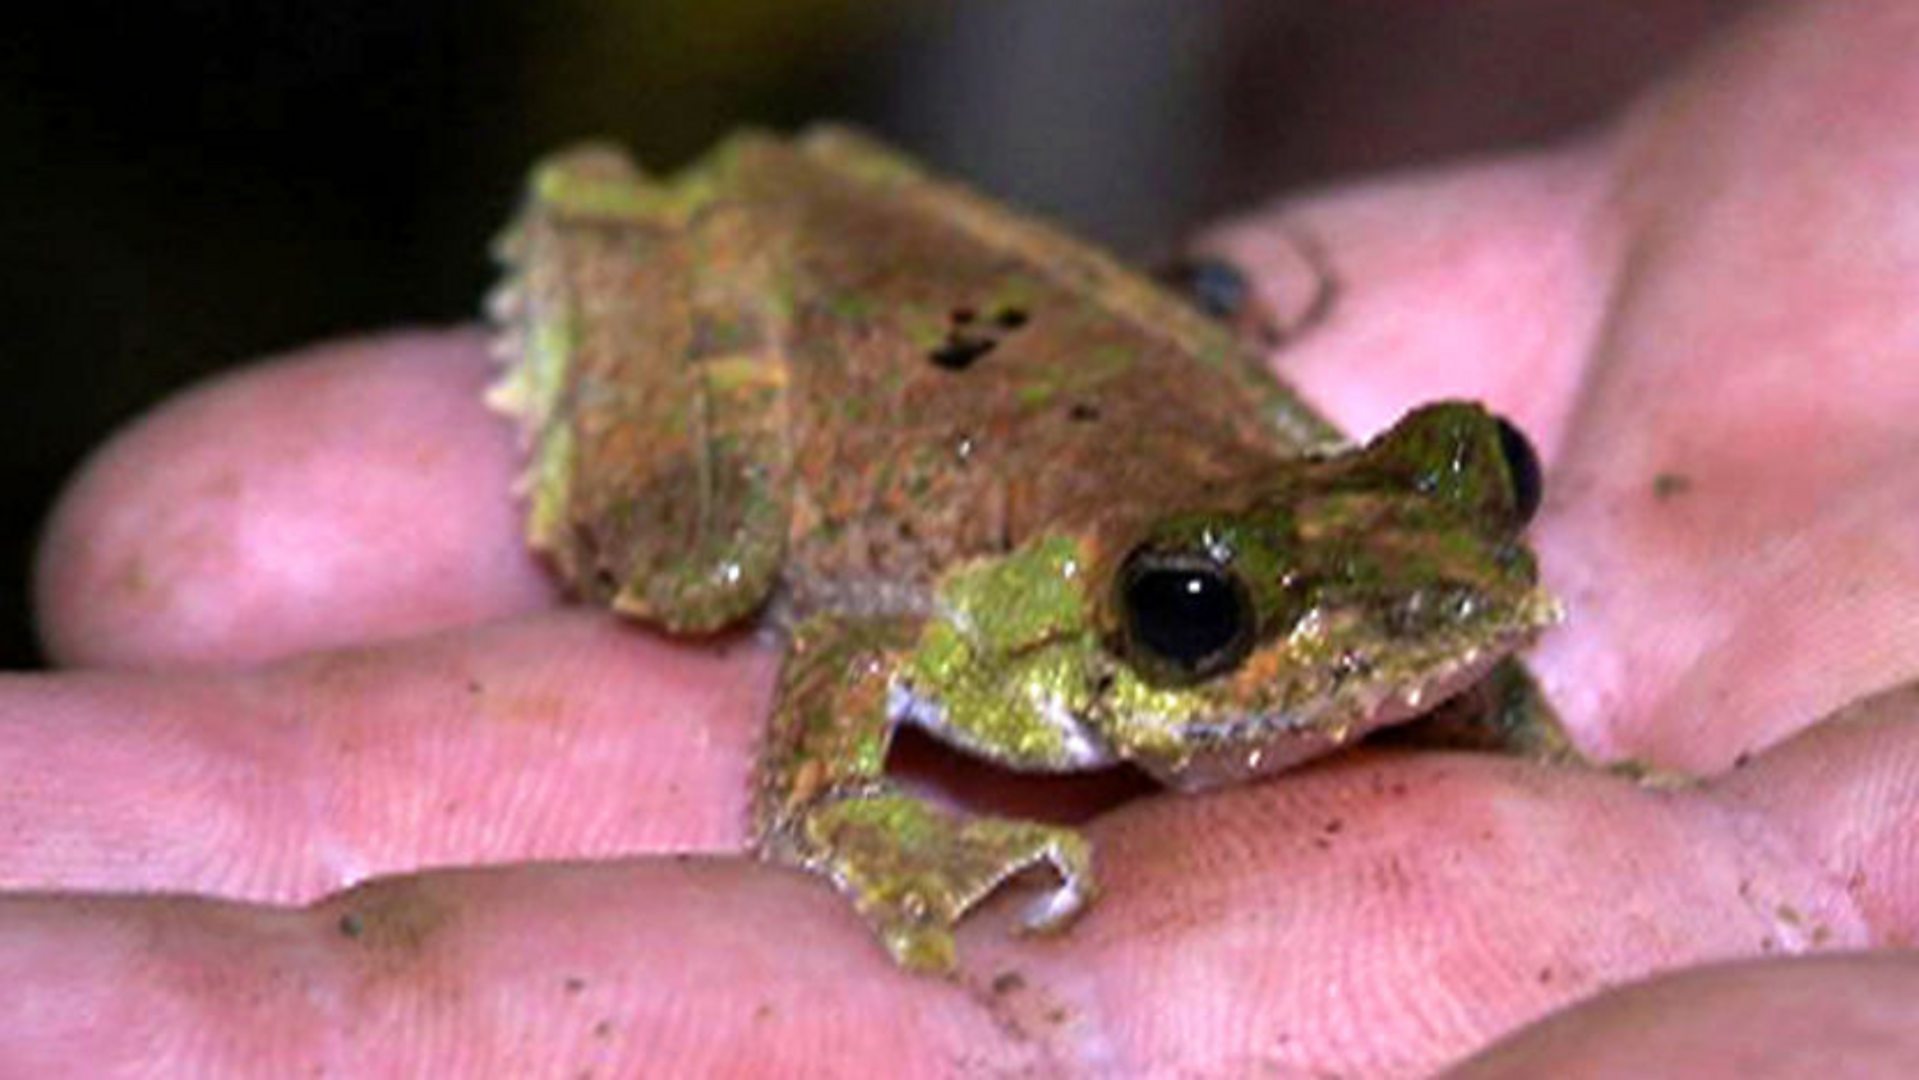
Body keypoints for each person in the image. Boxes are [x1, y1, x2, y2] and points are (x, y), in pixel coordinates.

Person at [16, 1, 1919, 1072]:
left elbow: (1432, 610)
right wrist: (861, 825)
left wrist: (1532, 724)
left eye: (1482, 478)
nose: (1461, 607)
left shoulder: (1415, 590)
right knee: (692, 569)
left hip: (999, 315)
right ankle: (654, 216)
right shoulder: (1033, 661)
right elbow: (868, 654)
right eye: (1197, 618)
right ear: (1137, 629)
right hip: (827, 323)